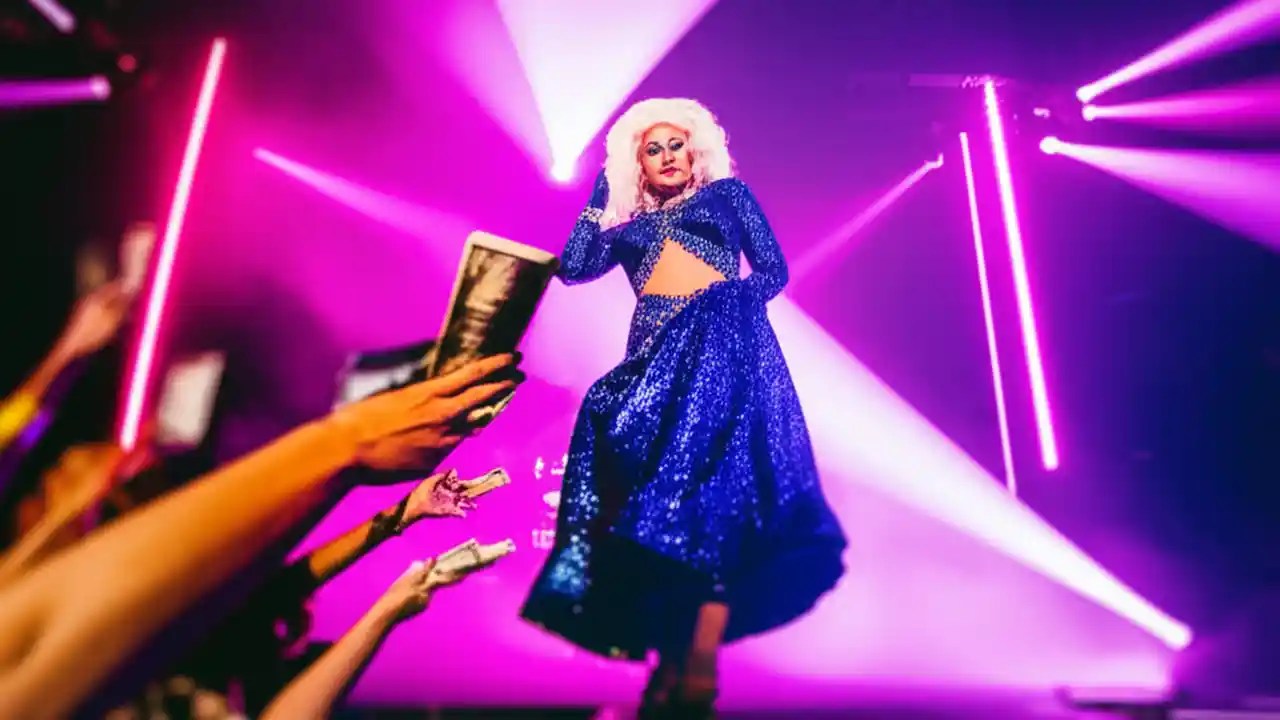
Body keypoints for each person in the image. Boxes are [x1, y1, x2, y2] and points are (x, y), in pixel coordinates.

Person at [520, 98, 847, 718]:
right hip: (655, 366)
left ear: (695, 152)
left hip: (722, 357)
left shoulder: (728, 197)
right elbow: (574, 267)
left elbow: (773, 272)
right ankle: (672, 663)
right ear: (638, 164)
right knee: (642, 487)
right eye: (653, 149)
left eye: (677, 145)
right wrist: (601, 192)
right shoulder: (628, 227)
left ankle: (696, 668)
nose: (668, 156)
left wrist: (725, 304)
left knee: (712, 504)